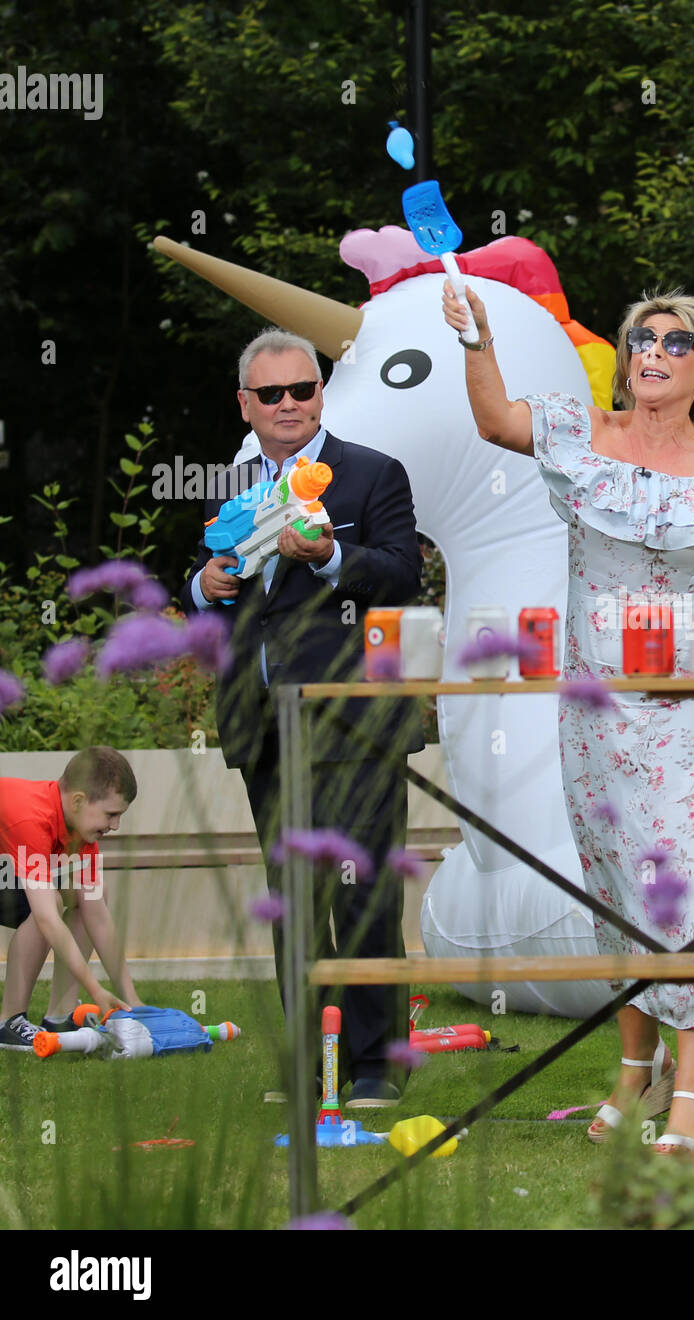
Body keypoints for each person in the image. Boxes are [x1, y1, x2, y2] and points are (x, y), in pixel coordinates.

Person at [443, 280, 694, 1152]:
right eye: (642, 338)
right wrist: (475, 338)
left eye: (675, 344)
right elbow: (495, 419)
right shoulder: (582, 434)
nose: (651, 352)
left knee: (688, 892)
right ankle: (634, 1077)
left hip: (691, 714)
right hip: (596, 712)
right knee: (618, 893)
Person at [184, 328, 424, 1108]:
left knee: (363, 895)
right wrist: (203, 583)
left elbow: (402, 576)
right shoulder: (230, 482)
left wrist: (326, 559)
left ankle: (373, 1069)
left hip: (353, 723)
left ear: (321, 392)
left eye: (305, 389)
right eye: (273, 394)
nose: (291, 405)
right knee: (294, 901)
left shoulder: (372, 473)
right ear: (245, 404)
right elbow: (195, 574)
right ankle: (308, 1067)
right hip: (263, 725)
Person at [0, 747, 143, 1048]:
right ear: (78, 801)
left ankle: (60, 1015)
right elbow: (47, 920)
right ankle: (8, 1022)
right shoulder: (32, 817)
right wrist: (96, 990)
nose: (115, 826)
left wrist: (134, 1003)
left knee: (91, 893)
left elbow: (97, 914)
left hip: (5, 872)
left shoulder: (81, 832)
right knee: (49, 903)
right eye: (111, 814)